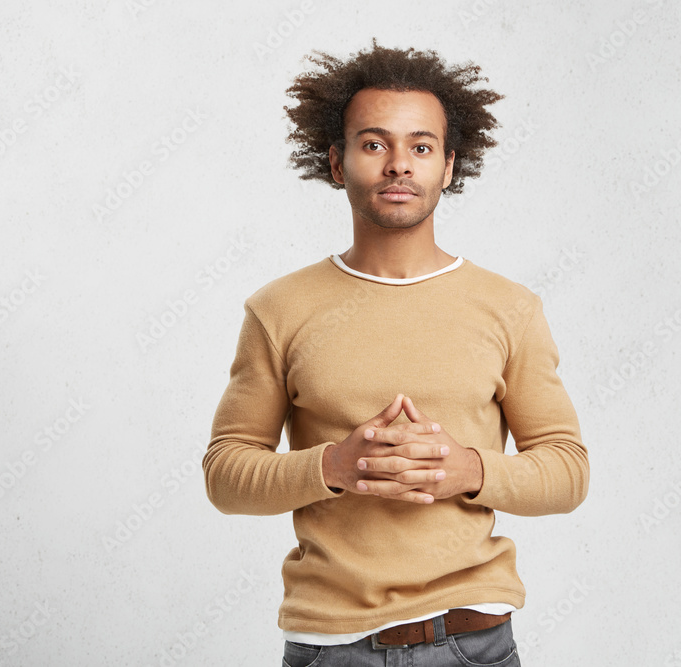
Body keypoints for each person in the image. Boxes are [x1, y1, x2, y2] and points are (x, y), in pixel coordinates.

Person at [202, 38, 589, 666]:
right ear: (336, 162)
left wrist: (468, 471)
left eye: (421, 146)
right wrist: (332, 467)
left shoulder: (510, 308)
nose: (399, 165)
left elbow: (568, 471)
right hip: (333, 648)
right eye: (375, 143)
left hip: (473, 641)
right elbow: (225, 472)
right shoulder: (278, 309)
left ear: (449, 166)